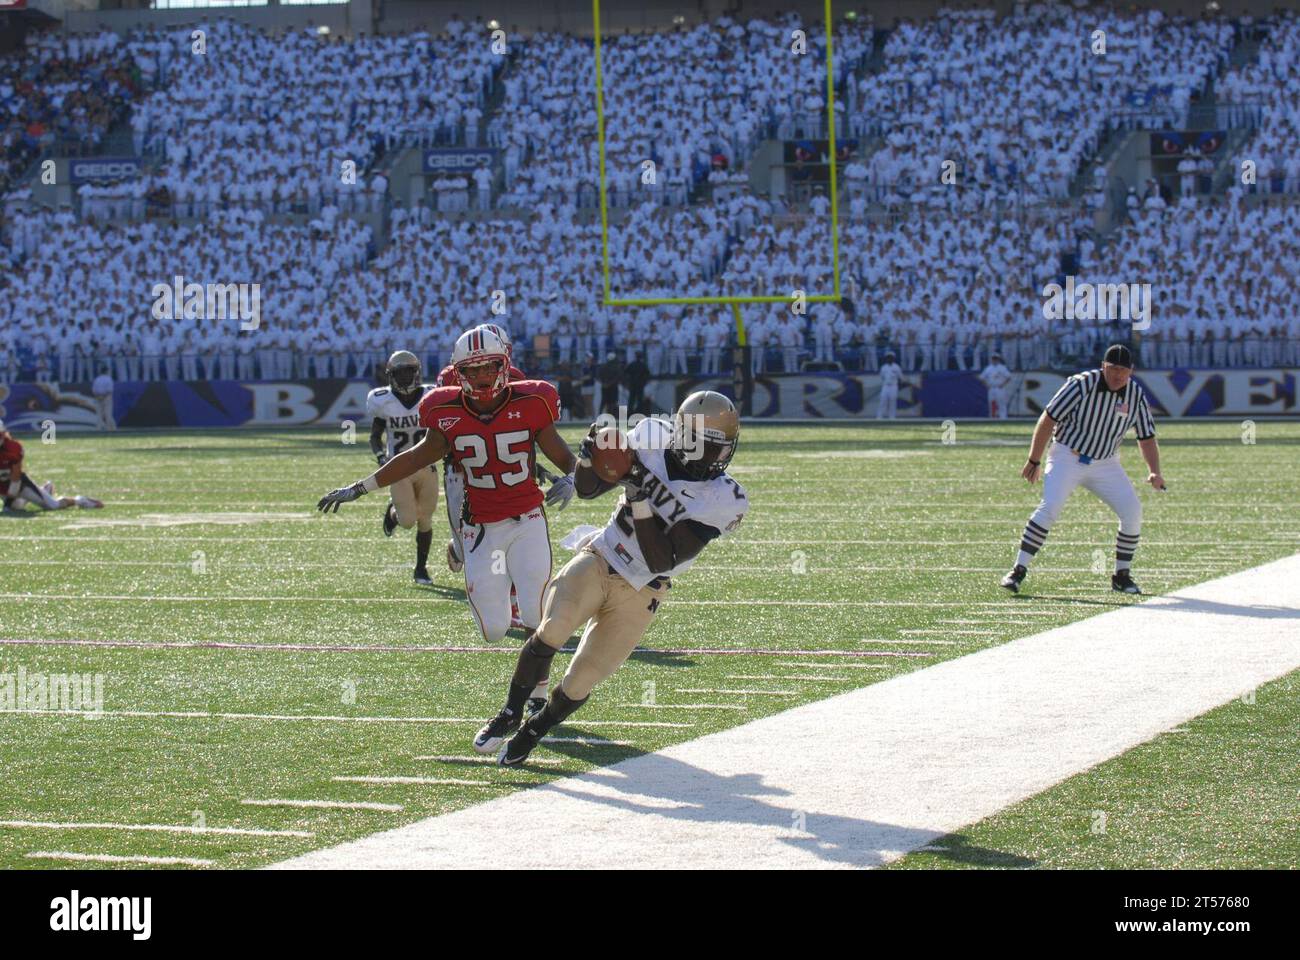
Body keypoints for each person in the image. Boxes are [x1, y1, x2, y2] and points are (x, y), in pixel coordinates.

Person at [476, 391, 748, 766]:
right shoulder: (650, 437)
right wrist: (591, 458)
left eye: (724, 448)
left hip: (644, 588)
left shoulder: (724, 498)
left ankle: (534, 730)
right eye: (711, 446)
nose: (720, 457)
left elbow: (661, 558)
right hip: (603, 556)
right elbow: (588, 489)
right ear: (684, 436)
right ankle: (509, 712)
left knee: (582, 678)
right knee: (552, 630)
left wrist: (637, 490)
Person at [317, 327, 577, 714]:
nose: (483, 376)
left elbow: (562, 454)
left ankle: (537, 695)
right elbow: (415, 457)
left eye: (490, 366)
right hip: (481, 525)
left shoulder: (533, 398)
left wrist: (573, 478)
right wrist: (360, 487)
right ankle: (467, 556)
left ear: (505, 365)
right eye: (472, 370)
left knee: (537, 614)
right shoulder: (444, 407)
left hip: (527, 519)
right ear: (458, 373)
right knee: (493, 630)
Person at [1001, 344, 1164, 596]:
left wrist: (1154, 470)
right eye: (1112, 369)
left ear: (1131, 371)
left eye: (1122, 370)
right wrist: (1034, 459)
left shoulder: (1135, 395)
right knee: (1050, 507)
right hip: (1068, 454)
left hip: (1106, 462)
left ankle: (1122, 575)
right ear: (1103, 366)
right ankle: (1018, 570)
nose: (1117, 375)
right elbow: (1048, 418)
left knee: (1132, 510)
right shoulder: (1080, 384)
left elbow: (1146, 436)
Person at [367, 350, 438, 585]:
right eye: (400, 373)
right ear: (391, 376)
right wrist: (380, 457)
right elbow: (375, 436)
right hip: (398, 467)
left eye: (409, 372)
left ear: (416, 373)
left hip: (427, 465)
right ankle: (394, 513)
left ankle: (421, 569)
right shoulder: (382, 400)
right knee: (408, 520)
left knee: (425, 518)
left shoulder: (432, 395)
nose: (405, 377)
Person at [0, 420, 103, 512]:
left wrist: (7, 503)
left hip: (21, 486)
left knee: (54, 506)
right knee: (16, 507)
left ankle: (80, 500)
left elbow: (16, 478)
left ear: (3, 434)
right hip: (3, 487)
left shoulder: (12, 448)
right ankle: (44, 491)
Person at [978, 352, 1013, 419]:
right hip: (991, 388)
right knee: (992, 404)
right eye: (993, 358)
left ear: (998, 359)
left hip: (999, 388)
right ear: (991, 359)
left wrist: (1003, 384)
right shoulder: (988, 368)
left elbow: (1009, 377)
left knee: (1001, 404)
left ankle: (1003, 418)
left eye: (996, 358)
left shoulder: (1002, 367)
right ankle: (992, 418)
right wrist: (986, 385)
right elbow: (981, 378)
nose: (994, 360)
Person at [877, 350, 903, 418]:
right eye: (888, 357)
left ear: (893, 358)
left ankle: (892, 417)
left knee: (892, 401)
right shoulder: (883, 367)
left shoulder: (897, 367)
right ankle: (879, 417)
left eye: (891, 357)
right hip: (885, 386)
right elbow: (882, 377)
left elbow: (900, 377)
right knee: (882, 401)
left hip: (893, 386)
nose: (889, 359)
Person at [92, 367, 115, 431]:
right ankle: (110, 429)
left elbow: (94, 390)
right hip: (106, 398)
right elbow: (110, 390)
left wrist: (99, 396)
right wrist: (103, 397)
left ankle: (98, 429)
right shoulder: (109, 379)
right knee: (108, 414)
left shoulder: (97, 379)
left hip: (98, 398)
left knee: (99, 415)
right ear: (107, 371)